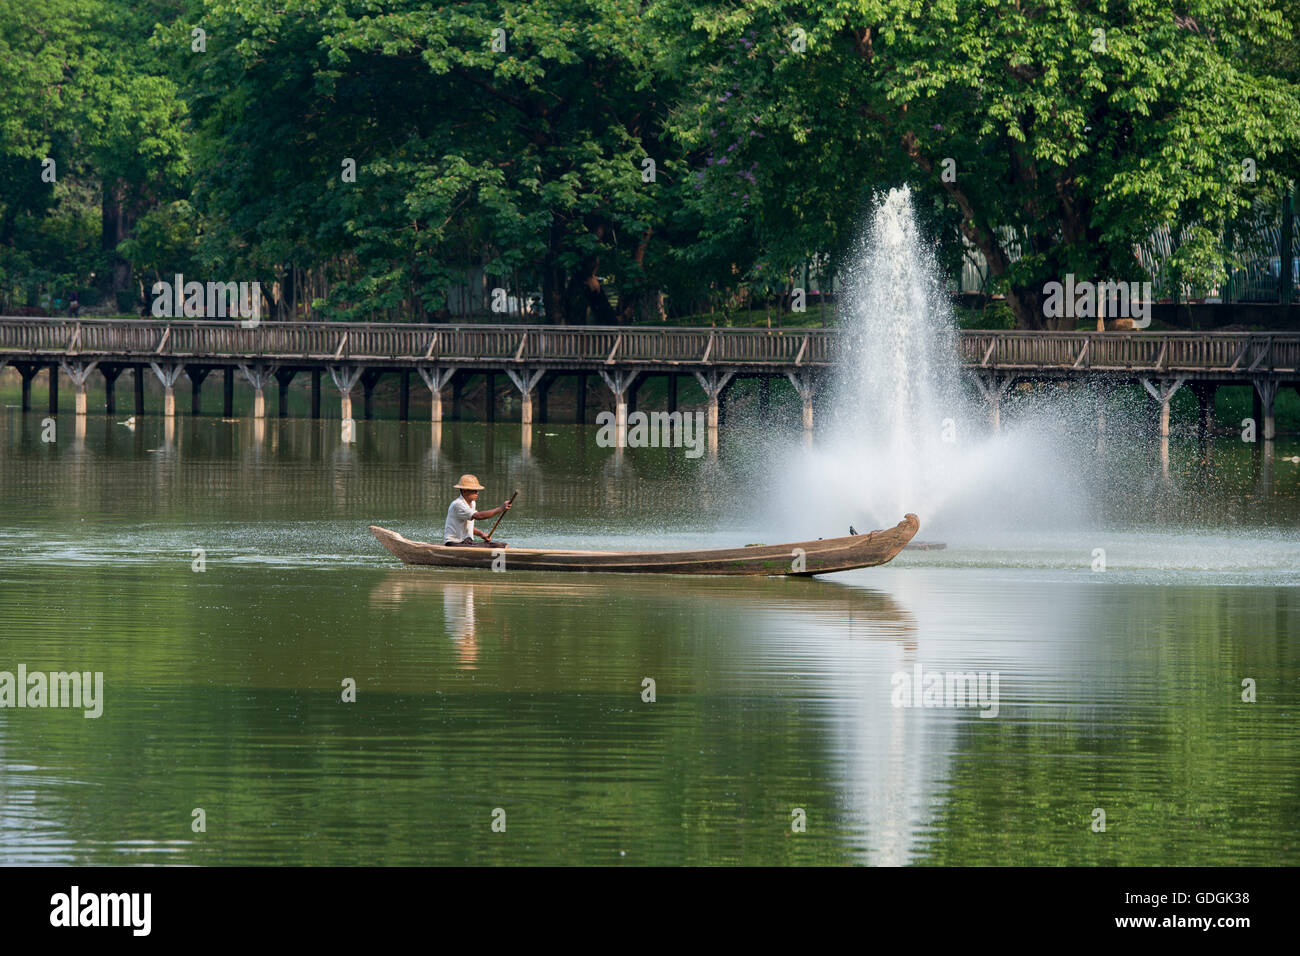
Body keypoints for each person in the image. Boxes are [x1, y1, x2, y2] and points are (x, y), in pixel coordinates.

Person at [444, 474, 511, 547]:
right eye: (474, 491)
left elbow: (467, 526)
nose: (477, 493)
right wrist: (500, 509)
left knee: (501, 544)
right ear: (464, 491)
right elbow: (479, 516)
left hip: (467, 542)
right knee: (498, 546)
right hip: (454, 543)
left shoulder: (472, 503)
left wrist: (481, 534)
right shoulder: (458, 504)